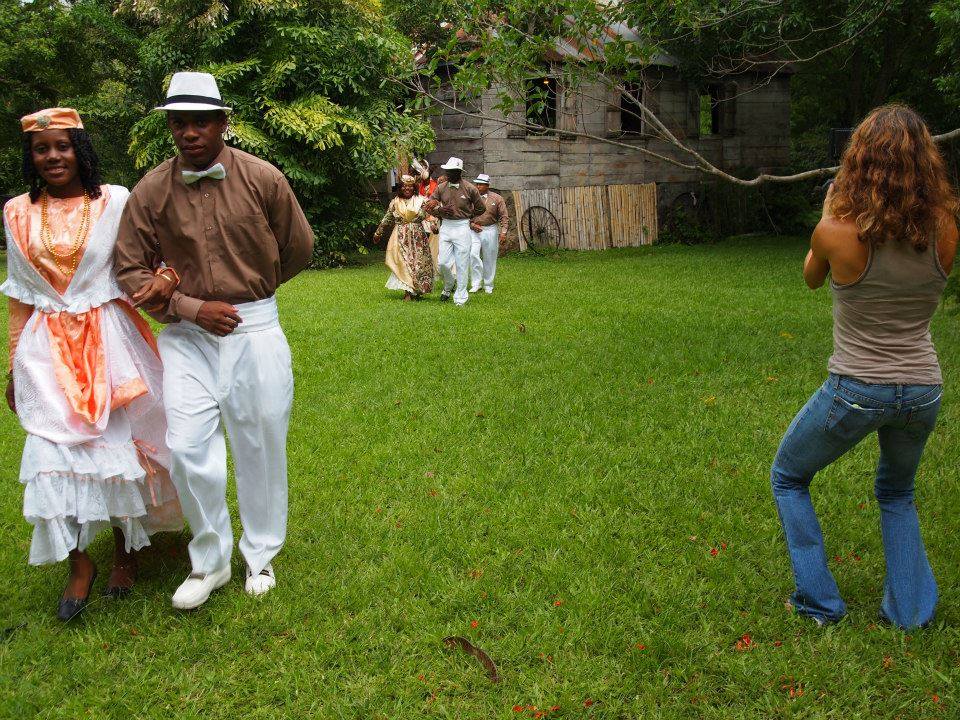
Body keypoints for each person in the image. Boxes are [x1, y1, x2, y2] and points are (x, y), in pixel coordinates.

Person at [114, 72, 314, 609]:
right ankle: (210, 560)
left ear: (223, 122)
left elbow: (298, 246)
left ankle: (261, 554)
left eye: (201, 121)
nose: (190, 132)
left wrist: (253, 295)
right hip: (186, 336)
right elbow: (129, 268)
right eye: (179, 122)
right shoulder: (151, 190)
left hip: (254, 328)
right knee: (186, 446)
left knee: (260, 443)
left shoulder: (263, 178)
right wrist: (189, 307)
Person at [770, 104, 958, 630]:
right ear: (926, 165)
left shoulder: (833, 231)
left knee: (788, 476)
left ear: (857, 162)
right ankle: (910, 613)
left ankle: (819, 603)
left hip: (857, 387)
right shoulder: (947, 228)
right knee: (897, 493)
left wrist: (829, 210)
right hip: (922, 389)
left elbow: (812, 278)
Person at [2, 108, 182, 621]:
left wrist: (166, 280)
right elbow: (20, 297)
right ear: (31, 157)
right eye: (41, 149)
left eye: (62, 146)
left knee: (120, 450)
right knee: (49, 453)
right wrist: (13, 366)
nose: (52, 157)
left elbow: (156, 256)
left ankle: (126, 553)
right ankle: (80, 564)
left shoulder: (115, 200)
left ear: (79, 149)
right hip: (45, 351)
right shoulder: (15, 212)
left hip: (112, 345)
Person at [424, 158, 484, 306]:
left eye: (452, 171)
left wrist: (468, 216)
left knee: (462, 264)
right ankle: (449, 285)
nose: (449, 174)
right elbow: (428, 206)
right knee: (442, 263)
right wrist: (440, 210)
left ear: (459, 172)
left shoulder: (470, 188)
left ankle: (460, 297)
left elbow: (481, 208)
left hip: (462, 227)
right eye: (448, 171)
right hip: (446, 227)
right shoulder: (441, 187)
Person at [373, 175, 436, 300]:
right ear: (400, 188)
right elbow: (387, 219)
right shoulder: (395, 202)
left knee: (418, 262)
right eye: (404, 186)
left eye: (410, 186)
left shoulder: (422, 200)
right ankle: (407, 292)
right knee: (404, 261)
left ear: (414, 187)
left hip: (418, 236)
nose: (407, 189)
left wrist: (433, 224)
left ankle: (417, 290)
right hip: (400, 236)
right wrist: (378, 233)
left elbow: (431, 215)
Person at [468, 174, 508, 295]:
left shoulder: (497, 198)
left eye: (481, 184)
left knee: (490, 257)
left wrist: (503, 232)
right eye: (477, 184)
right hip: (474, 230)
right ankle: (476, 283)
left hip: (490, 229)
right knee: (473, 254)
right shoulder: (471, 198)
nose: (478, 186)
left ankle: (488, 284)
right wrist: (471, 224)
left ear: (487, 185)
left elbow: (504, 216)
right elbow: (464, 214)